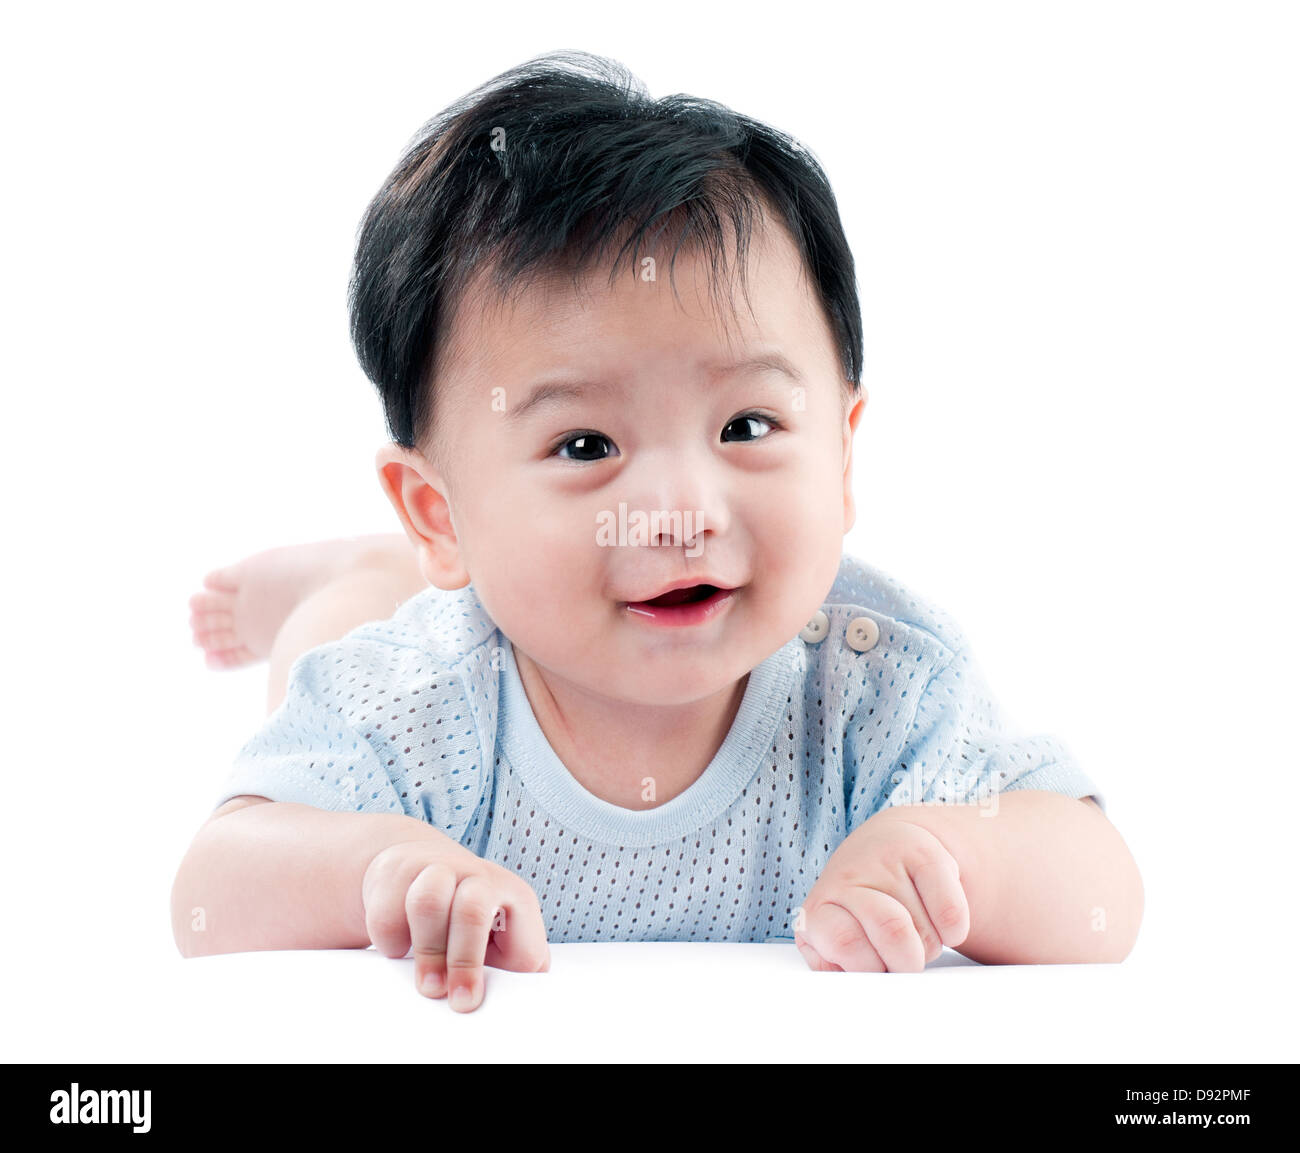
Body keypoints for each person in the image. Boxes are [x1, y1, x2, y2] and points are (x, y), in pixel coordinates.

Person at [173, 49, 1143, 1013]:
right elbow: (212, 887)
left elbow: (1100, 882)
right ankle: (345, 578)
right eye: (586, 442)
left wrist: (959, 856)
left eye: (746, 427)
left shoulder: (872, 685)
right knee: (342, 625)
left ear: (841, 460)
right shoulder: (417, 703)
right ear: (440, 510)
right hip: (410, 619)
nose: (682, 512)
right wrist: (373, 865)